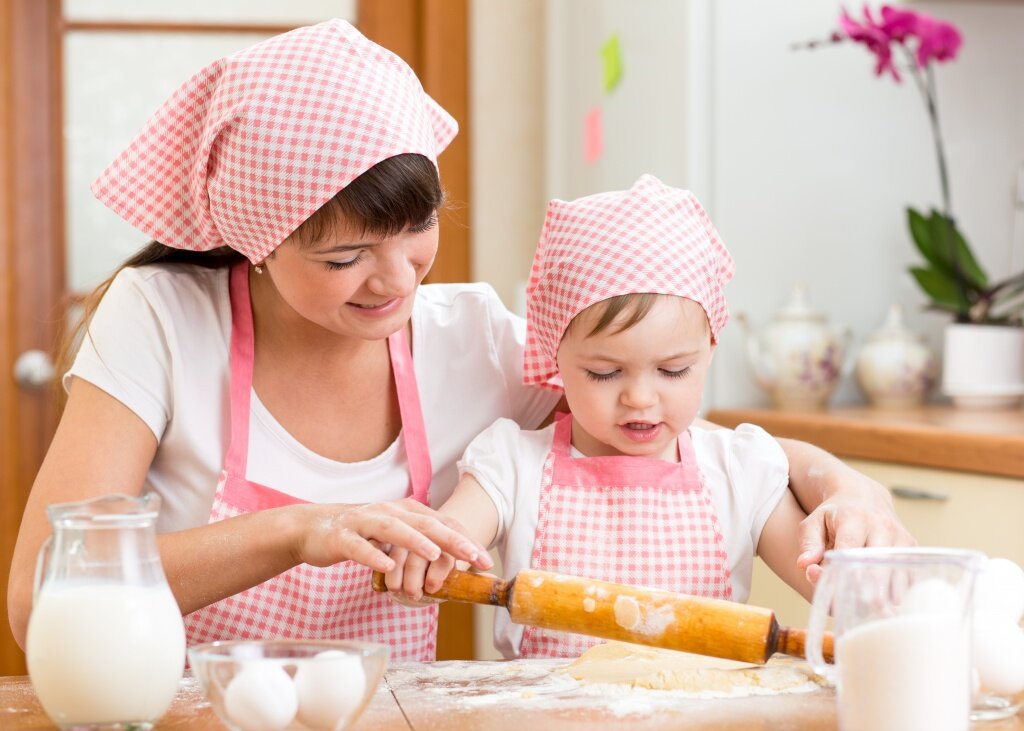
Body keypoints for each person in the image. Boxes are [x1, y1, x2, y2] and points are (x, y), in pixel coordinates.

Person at [8, 21, 911, 661]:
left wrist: (839, 479)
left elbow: (656, 431)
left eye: (417, 233)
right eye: (348, 255)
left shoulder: (470, 337)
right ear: (258, 238)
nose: (399, 282)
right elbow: (39, 596)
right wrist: (296, 532)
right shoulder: (162, 317)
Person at [383, 176, 851, 658]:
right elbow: (453, 535)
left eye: (673, 370)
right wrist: (428, 557)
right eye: (605, 373)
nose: (641, 399)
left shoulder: (740, 472)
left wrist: (886, 589)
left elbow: (832, 587)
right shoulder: (512, 464)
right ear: (555, 356)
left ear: (710, 350)